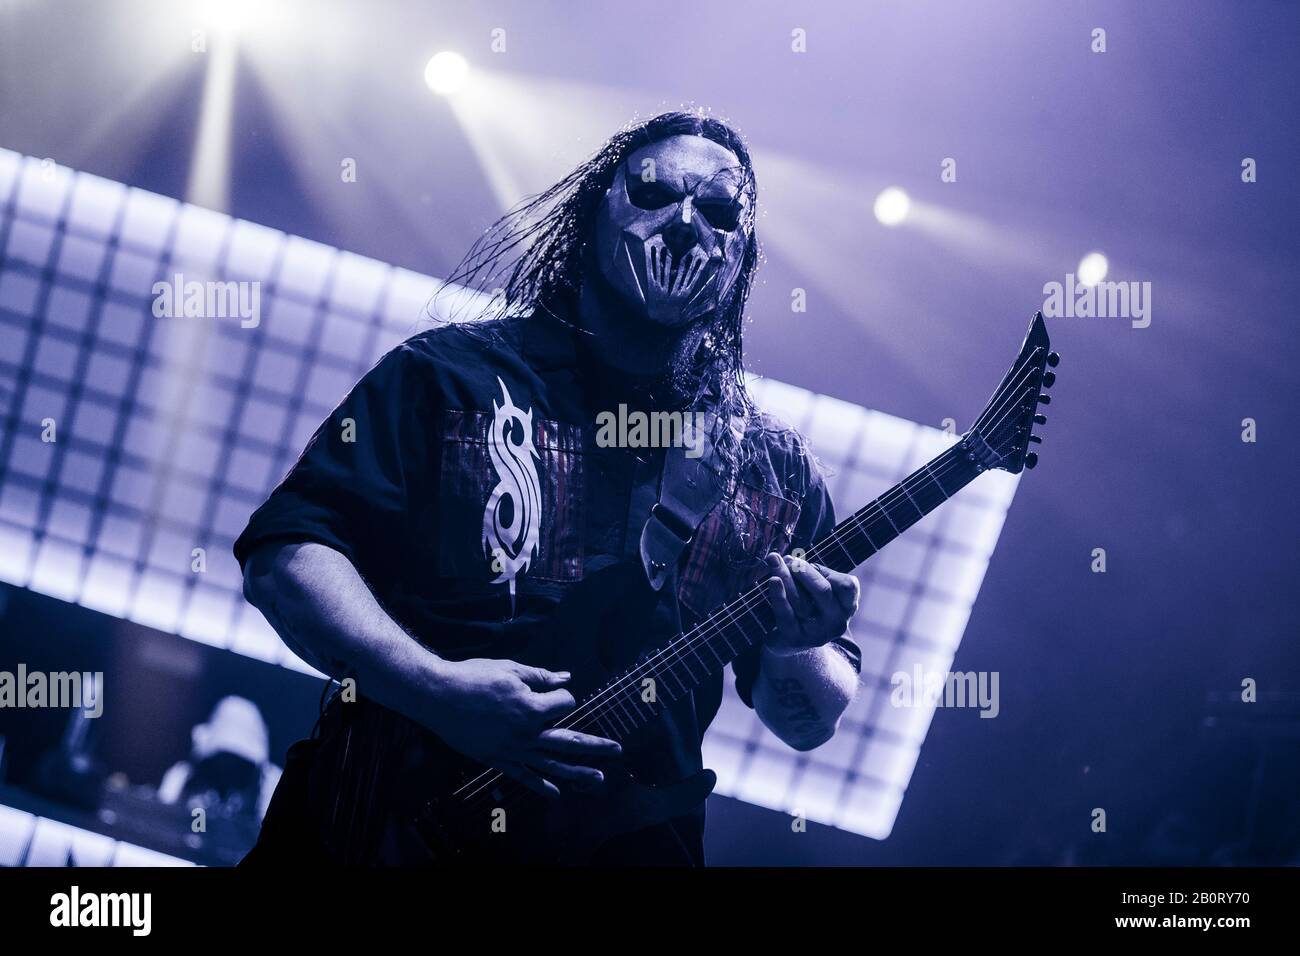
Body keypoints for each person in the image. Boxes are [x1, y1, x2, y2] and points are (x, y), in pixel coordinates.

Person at [235, 111, 861, 865]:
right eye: (656, 191)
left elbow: (808, 720)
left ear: (743, 254)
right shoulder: (448, 377)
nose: (687, 226)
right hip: (382, 829)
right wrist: (435, 690)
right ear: (594, 210)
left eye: (722, 211)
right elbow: (288, 557)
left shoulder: (769, 468)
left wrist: (804, 646)